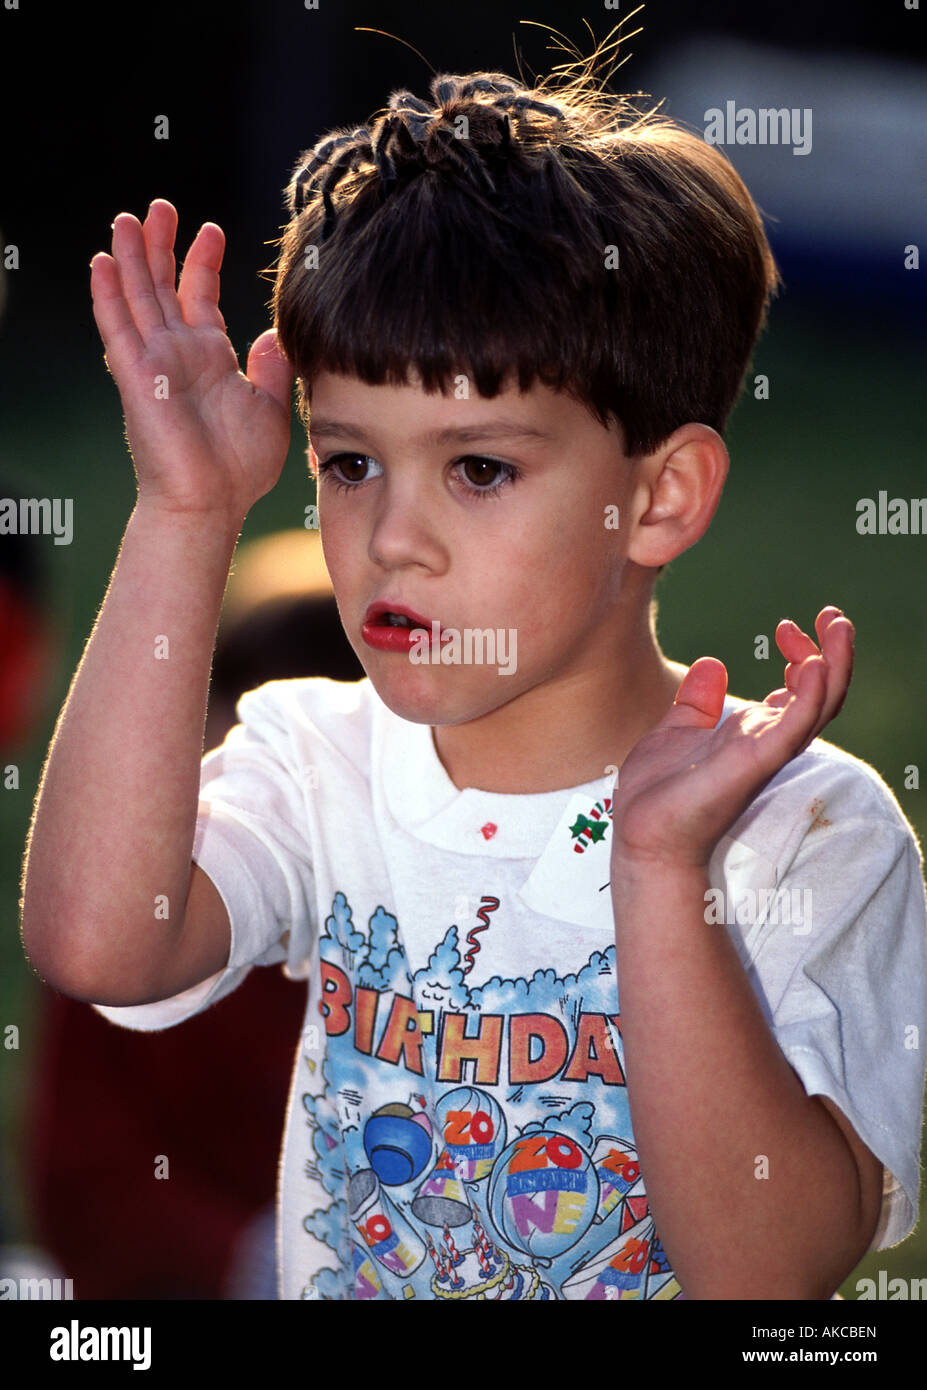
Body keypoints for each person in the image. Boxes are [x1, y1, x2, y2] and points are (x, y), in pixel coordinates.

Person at [20, 51, 926, 1301]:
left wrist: (658, 870)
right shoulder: (317, 756)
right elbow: (99, 944)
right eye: (348, 464)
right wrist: (185, 510)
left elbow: (768, 1279)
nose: (393, 536)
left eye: (480, 469)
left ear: (658, 499)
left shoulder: (803, 828)